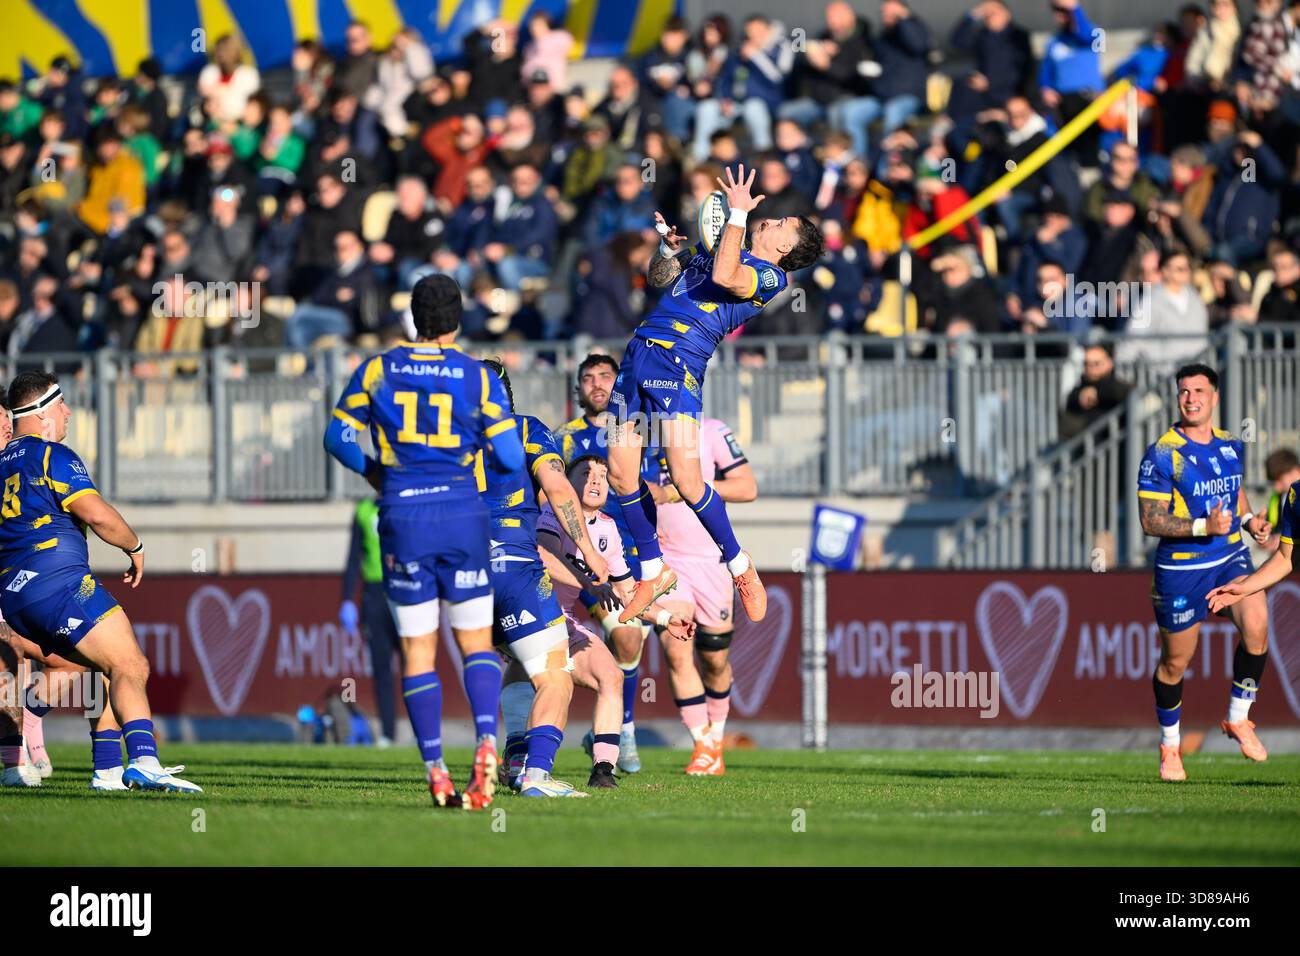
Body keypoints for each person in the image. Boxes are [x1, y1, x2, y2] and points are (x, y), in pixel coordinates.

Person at [322, 274, 523, 809]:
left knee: (417, 651)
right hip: (462, 512)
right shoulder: (476, 377)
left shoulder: (377, 368)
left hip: (404, 513)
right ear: (457, 319)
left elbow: (336, 437)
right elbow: (506, 459)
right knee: (476, 644)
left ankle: (435, 767)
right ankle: (485, 742)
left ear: (414, 316)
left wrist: (374, 472)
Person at [604, 165, 823, 625]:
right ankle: (652, 569)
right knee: (621, 473)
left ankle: (739, 565)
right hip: (640, 353)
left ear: (784, 247)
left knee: (686, 479)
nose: (775, 218)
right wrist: (667, 249)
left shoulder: (769, 278)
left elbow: (725, 276)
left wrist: (738, 214)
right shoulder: (725, 243)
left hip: (679, 362)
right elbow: (663, 279)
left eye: (783, 224)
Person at [0, 371, 201, 793]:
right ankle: (145, 761)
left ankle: (108, 770)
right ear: (39, 414)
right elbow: (98, 514)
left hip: (15, 597)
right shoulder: (50, 455)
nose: (68, 411)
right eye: (60, 404)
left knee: (104, 666)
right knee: (131, 664)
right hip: (57, 584)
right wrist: (136, 546)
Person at [474, 359, 609, 798]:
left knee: (512, 661)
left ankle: (509, 758)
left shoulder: (447, 440)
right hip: (513, 561)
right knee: (554, 677)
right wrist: (588, 551)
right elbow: (557, 486)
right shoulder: (526, 429)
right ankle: (536, 776)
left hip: (462, 571)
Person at [1136, 363, 1273, 782]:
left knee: (1258, 624)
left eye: (1199, 391)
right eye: (1184, 392)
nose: (1191, 398)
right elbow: (1150, 519)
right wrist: (1201, 527)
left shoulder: (1231, 444)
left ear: (1214, 397)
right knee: (1176, 663)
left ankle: (1237, 716)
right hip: (1182, 569)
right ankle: (1170, 746)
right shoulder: (1162, 452)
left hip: (1229, 556)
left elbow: (1233, 489)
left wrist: (1249, 521)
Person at [526, 456, 693, 788]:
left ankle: (602, 770)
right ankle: (520, 761)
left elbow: (627, 590)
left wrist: (664, 617)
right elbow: (545, 555)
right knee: (533, 676)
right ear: (567, 486)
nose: (595, 480)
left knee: (611, 676)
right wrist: (590, 583)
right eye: (586, 474)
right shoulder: (552, 513)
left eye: (602, 475)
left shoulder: (606, 527)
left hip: (562, 621)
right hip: (527, 613)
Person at [643, 417, 756, 776]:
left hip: (711, 560)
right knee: (676, 650)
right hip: (667, 560)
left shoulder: (712, 430)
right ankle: (702, 744)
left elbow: (747, 488)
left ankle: (717, 738)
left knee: (715, 660)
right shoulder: (635, 432)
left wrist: (682, 488)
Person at [339, 495, 402, 747]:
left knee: (415, 664)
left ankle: (423, 728)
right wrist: (347, 599)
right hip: (374, 595)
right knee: (381, 668)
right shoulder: (363, 510)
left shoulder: (403, 503)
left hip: (404, 589)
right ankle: (388, 733)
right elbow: (353, 558)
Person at [1060, 343, 1131, 439]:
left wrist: (1097, 393)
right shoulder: (1077, 391)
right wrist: (1081, 396)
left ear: (1109, 364)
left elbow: (1125, 392)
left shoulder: (1118, 386)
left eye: (1096, 364)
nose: (1091, 368)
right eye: (1086, 364)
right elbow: (1069, 402)